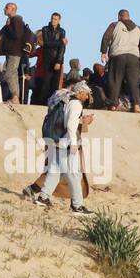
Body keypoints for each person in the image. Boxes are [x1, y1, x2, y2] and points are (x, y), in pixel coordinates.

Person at [26, 81, 94, 216]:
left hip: (59, 142)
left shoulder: (67, 101)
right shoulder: (76, 104)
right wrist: (73, 143)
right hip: (67, 143)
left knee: (55, 171)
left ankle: (43, 198)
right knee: (74, 175)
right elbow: (71, 125)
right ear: (80, 92)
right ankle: (77, 206)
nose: (87, 97)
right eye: (86, 94)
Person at [99, 9, 140, 111]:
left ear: (119, 17)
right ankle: (136, 106)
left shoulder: (114, 25)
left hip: (118, 55)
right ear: (129, 17)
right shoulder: (137, 28)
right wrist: (136, 44)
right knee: (133, 82)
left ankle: (113, 105)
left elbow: (106, 37)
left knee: (115, 81)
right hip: (133, 57)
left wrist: (103, 52)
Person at [31, 13, 67, 105]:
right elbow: (46, 43)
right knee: (46, 83)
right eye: (52, 18)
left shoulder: (62, 31)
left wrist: (59, 61)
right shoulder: (45, 29)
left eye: (55, 19)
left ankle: (52, 103)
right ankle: (43, 103)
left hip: (57, 60)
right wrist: (60, 42)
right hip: (47, 60)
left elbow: (62, 49)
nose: (53, 20)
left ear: (59, 20)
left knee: (55, 84)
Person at [0, 3, 26, 103]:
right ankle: (15, 98)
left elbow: (17, 35)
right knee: (12, 73)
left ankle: (15, 98)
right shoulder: (12, 20)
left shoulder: (16, 19)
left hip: (15, 52)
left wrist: (8, 26)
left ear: (13, 9)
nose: (4, 9)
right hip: (11, 51)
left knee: (10, 73)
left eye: (7, 7)